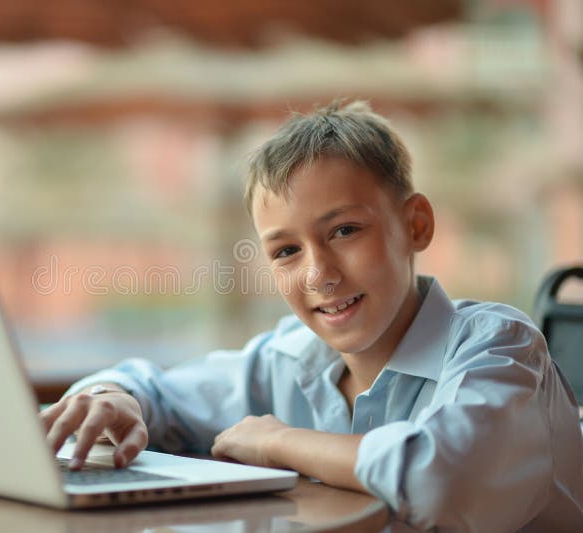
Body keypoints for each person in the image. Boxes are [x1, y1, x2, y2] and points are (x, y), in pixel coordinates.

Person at [40, 100, 583, 531]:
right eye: (285, 251)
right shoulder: (290, 359)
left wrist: (278, 442)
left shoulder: (499, 347)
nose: (318, 273)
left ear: (415, 225)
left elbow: (439, 478)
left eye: (345, 231)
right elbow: (153, 389)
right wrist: (114, 397)